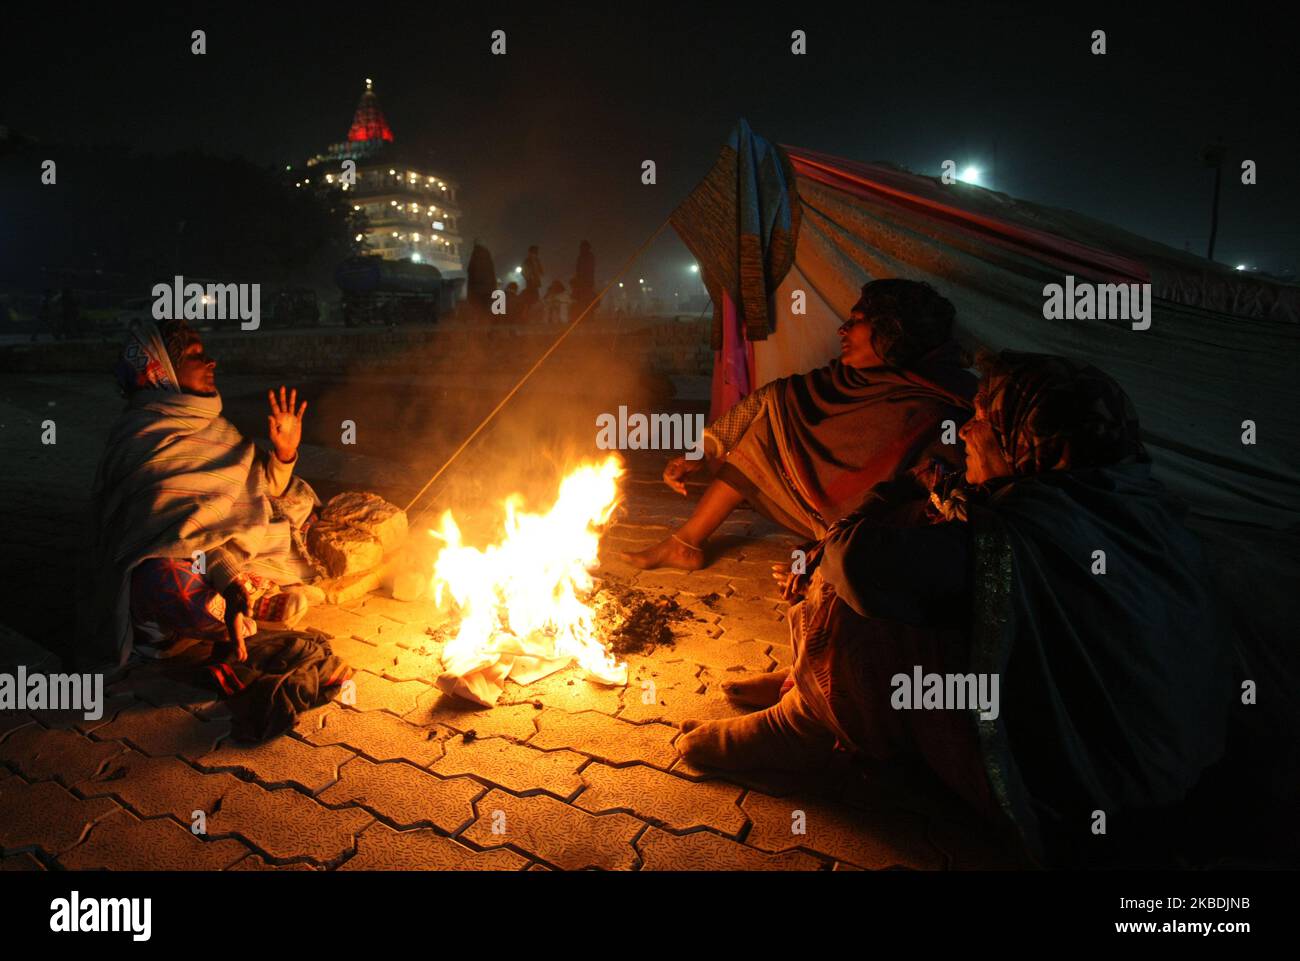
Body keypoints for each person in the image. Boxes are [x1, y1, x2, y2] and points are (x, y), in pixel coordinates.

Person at [677, 351, 1230, 861]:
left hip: (1075, 792)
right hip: (1152, 767)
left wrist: (854, 526)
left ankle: (807, 724)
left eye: (985, 419)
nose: (965, 428)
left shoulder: (1025, 534)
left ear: (1030, 436)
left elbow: (860, 568)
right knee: (918, 529)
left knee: (876, 564)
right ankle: (807, 684)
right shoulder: (1126, 497)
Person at [621, 279, 975, 570]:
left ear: (891, 331)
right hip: (814, 504)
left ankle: (832, 554)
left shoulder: (937, 403)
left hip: (864, 529)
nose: (843, 329)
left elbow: (936, 497)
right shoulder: (845, 378)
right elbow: (770, 399)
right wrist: (700, 451)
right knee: (764, 432)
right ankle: (686, 544)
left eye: (856, 320)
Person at [80, 317, 323, 669]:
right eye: (196, 356)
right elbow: (150, 541)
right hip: (175, 564)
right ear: (161, 372)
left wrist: (284, 454)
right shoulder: (137, 439)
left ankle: (244, 598)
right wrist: (222, 575)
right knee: (163, 579)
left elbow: (259, 494)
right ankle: (171, 626)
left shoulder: (218, 428)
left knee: (300, 507)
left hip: (223, 557)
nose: (211, 363)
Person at [466, 239, 497, 320]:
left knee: (479, 309)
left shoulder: (475, 253)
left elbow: (471, 270)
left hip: (478, 288)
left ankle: (481, 326)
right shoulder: (487, 254)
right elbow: (491, 271)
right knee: (486, 309)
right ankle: (486, 325)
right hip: (488, 287)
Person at [572, 240, 595, 311]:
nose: (582, 249)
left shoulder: (590, 256)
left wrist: (586, 279)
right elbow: (578, 269)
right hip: (581, 282)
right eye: (581, 247)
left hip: (587, 281)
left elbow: (590, 269)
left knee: (587, 298)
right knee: (581, 298)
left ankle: (588, 314)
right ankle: (583, 314)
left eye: (583, 247)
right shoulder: (580, 257)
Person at [522, 245, 544, 312]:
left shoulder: (536, 260)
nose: (535, 254)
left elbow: (540, 270)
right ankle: (528, 312)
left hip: (535, 282)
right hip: (531, 282)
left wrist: (540, 273)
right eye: (534, 253)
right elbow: (524, 271)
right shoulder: (527, 261)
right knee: (531, 298)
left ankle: (531, 312)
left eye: (535, 253)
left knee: (534, 297)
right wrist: (529, 277)